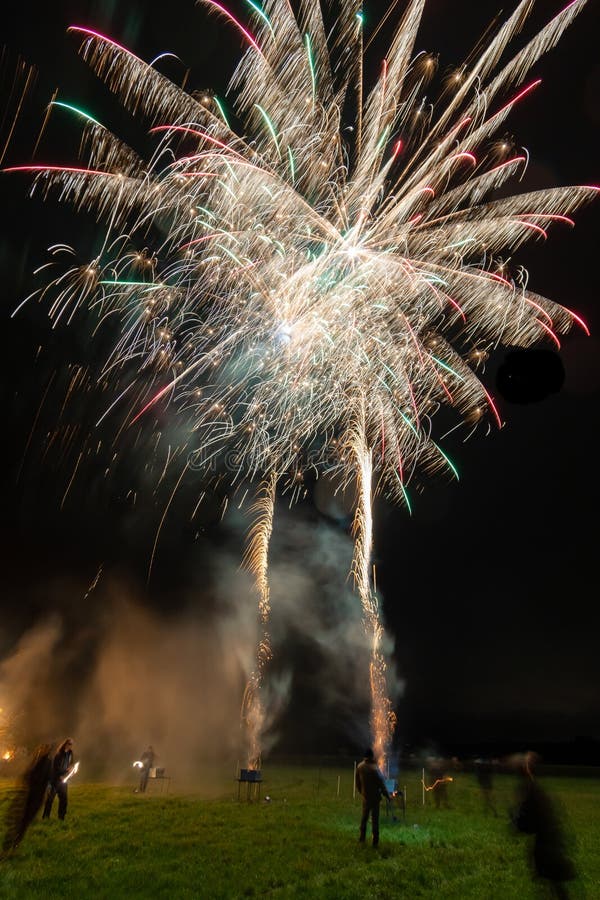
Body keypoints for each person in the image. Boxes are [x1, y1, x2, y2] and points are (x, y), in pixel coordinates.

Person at [511, 751, 576, 899]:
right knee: (553, 884)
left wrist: (516, 819)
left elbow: (526, 825)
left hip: (546, 845)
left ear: (527, 768)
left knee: (553, 884)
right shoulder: (536, 788)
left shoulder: (531, 790)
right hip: (550, 841)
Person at [2, 743, 53, 853]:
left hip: (37, 796)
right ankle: (8, 843)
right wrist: (21, 783)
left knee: (26, 821)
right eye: (42, 748)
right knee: (18, 819)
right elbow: (27, 774)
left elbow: (48, 779)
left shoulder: (48, 763)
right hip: (26, 793)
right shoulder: (35, 759)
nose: (42, 750)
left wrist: (47, 791)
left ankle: (16, 843)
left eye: (45, 749)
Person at [355, 748, 390, 848]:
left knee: (364, 819)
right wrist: (387, 795)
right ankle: (375, 842)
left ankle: (362, 838)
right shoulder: (374, 768)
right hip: (375, 798)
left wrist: (362, 792)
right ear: (371, 756)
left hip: (365, 797)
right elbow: (381, 784)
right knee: (375, 820)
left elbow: (357, 783)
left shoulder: (360, 766)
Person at [42, 738, 75, 821]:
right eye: (69, 744)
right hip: (55, 780)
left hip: (64, 781)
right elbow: (55, 768)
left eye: (72, 744)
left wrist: (71, 770)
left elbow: (70, 764)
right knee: (50, 799)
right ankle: (46, 817)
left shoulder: (70, 754)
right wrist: (63, 773)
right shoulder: (59, 754)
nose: (71, 746)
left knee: (64, 799)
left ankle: (61, 818)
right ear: (66, 744)